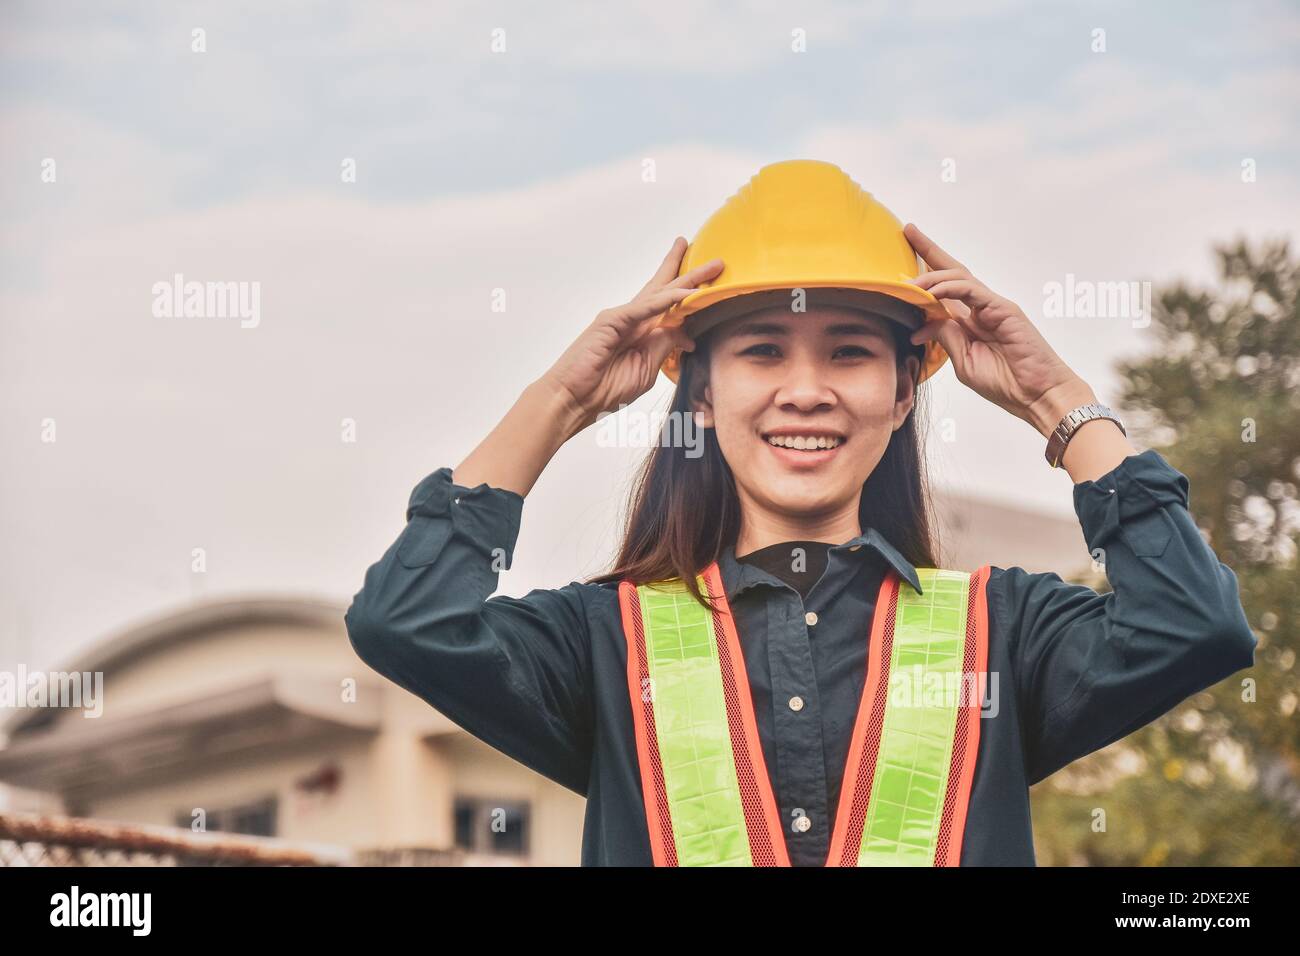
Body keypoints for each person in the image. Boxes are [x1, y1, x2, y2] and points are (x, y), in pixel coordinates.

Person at [344, 160, 1257, 866]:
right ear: (700, 393)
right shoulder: (604, 645)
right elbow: (407, 621)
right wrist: (558, 403)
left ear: (905, 394)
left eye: (851, 352)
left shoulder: (1003, 634)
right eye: (764, 351)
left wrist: (1059, 400)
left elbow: (1195, 626)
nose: (807, 391)